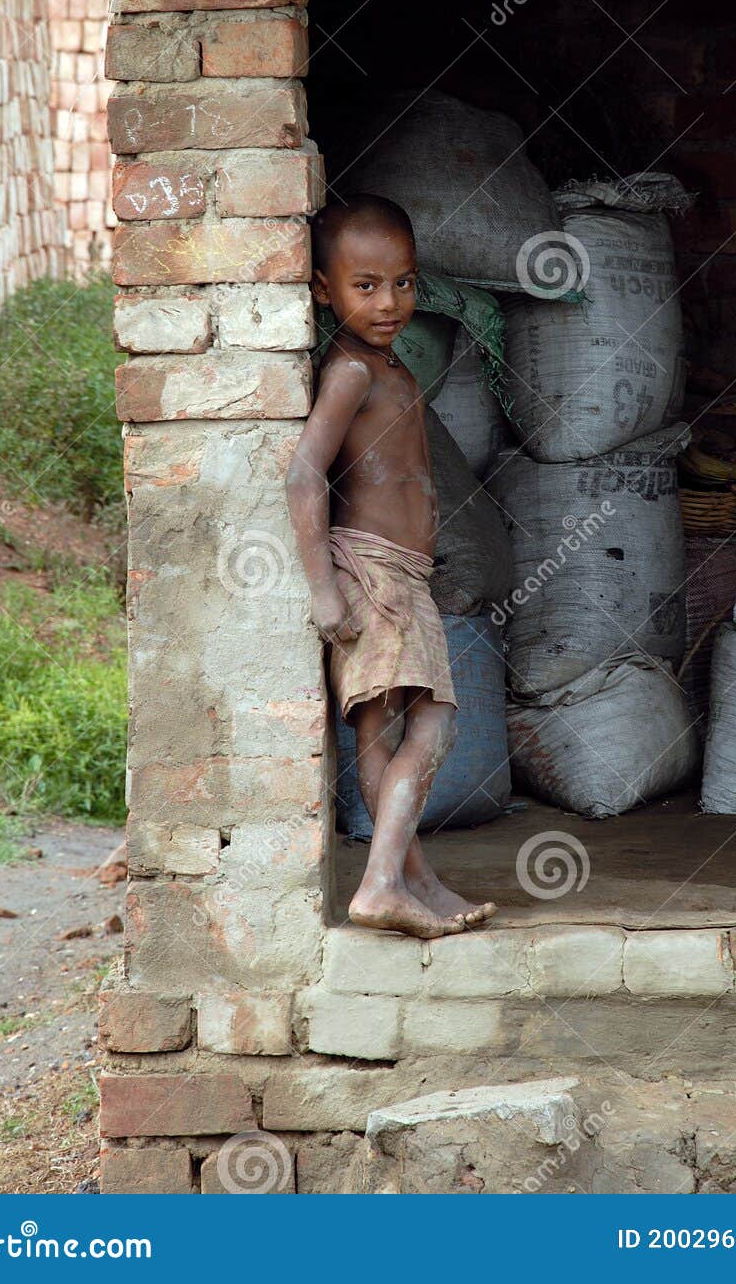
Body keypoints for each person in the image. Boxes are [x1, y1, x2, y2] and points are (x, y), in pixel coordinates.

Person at [286, 192, 497, 938]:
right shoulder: (351, 371)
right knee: (434, 725)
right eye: (366, 286)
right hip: (375, 574)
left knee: (379, 737)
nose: (388, 302)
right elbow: (304, 475)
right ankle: (381, 884)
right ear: (324, 291)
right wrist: (323, 587)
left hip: (395, 574)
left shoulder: (383, 364)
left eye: (402, 283)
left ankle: (414, 882)